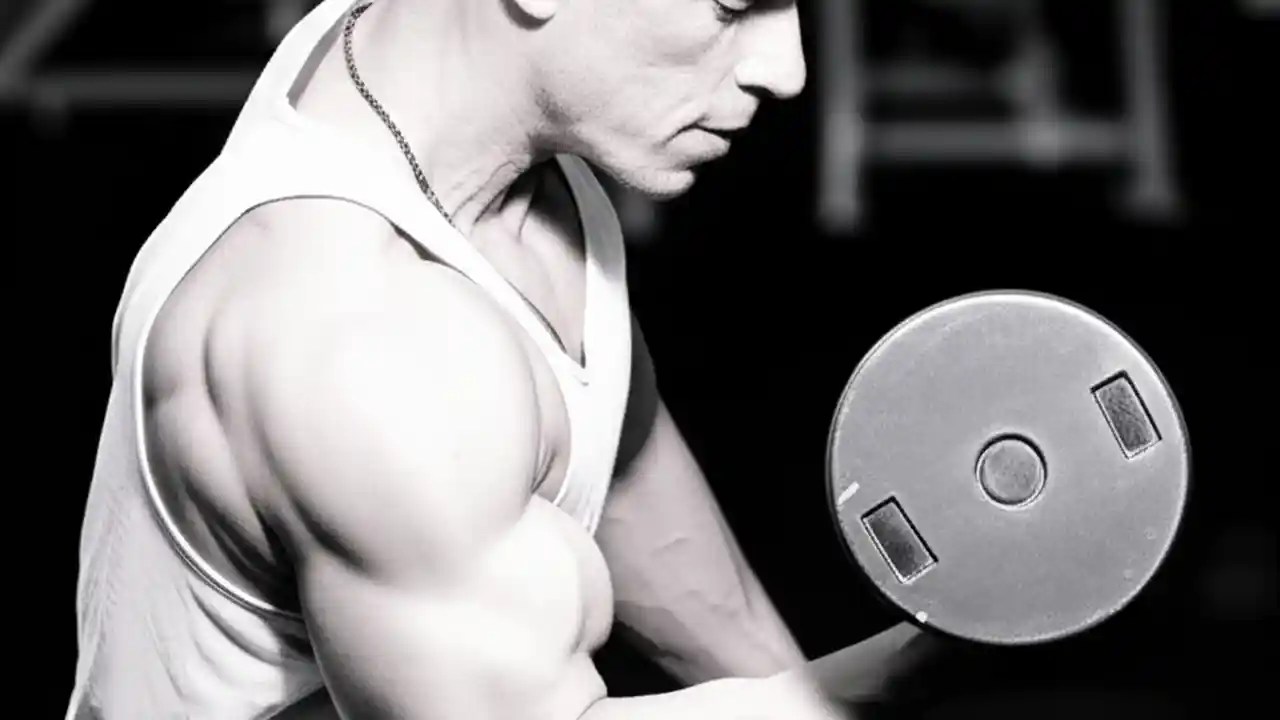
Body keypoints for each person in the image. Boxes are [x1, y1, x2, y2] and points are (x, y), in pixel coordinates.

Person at [66, 0, 939, 717]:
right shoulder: (355, 342)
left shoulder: (429, 81)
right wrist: (916, 668)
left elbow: (614, 462)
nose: (787, 69)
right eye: (732, 7)